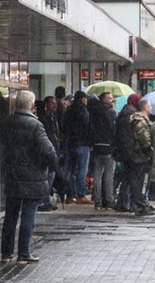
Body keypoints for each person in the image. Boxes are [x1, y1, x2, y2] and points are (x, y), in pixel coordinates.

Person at [2, 90, 59, 263]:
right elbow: (48, 151)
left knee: (10, 215)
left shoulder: (6, 122)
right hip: (33, 177)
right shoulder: (36, 125)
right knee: (28, 215)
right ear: (33, 106)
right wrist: (51, 163)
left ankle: (6, 253)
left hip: (12, 175)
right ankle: (23, 253)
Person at [89, 93, 118, 210]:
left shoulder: (93, 112)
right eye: (110, 98)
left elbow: (91, 128)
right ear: (105, 100)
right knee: (109, 175)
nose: (112, 100)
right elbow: (114, 130)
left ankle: (97, 201)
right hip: (109, 146)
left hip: (97, 146)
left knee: (97, 175)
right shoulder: (111, 112)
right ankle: (109, 200)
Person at [124, 100, 154, 216]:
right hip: (141, 156)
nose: (151, 108)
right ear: (145, 108)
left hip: (136, 155)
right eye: (150, 106)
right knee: (142, 181)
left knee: (136, 181)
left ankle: (137, 203)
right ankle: (140, 205)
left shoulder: (134, 119)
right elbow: (144, 139)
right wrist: (150, 151)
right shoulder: (141, 121)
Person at [63, 91, 93, 204]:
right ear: (82, 99)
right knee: (82, 170)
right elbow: (87, 127)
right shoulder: (83, 111)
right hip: (82, 143)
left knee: (71, 170)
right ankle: (81, 195)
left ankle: (70, 195)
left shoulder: (69, 111)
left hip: (70, 143)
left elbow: (64, 126)